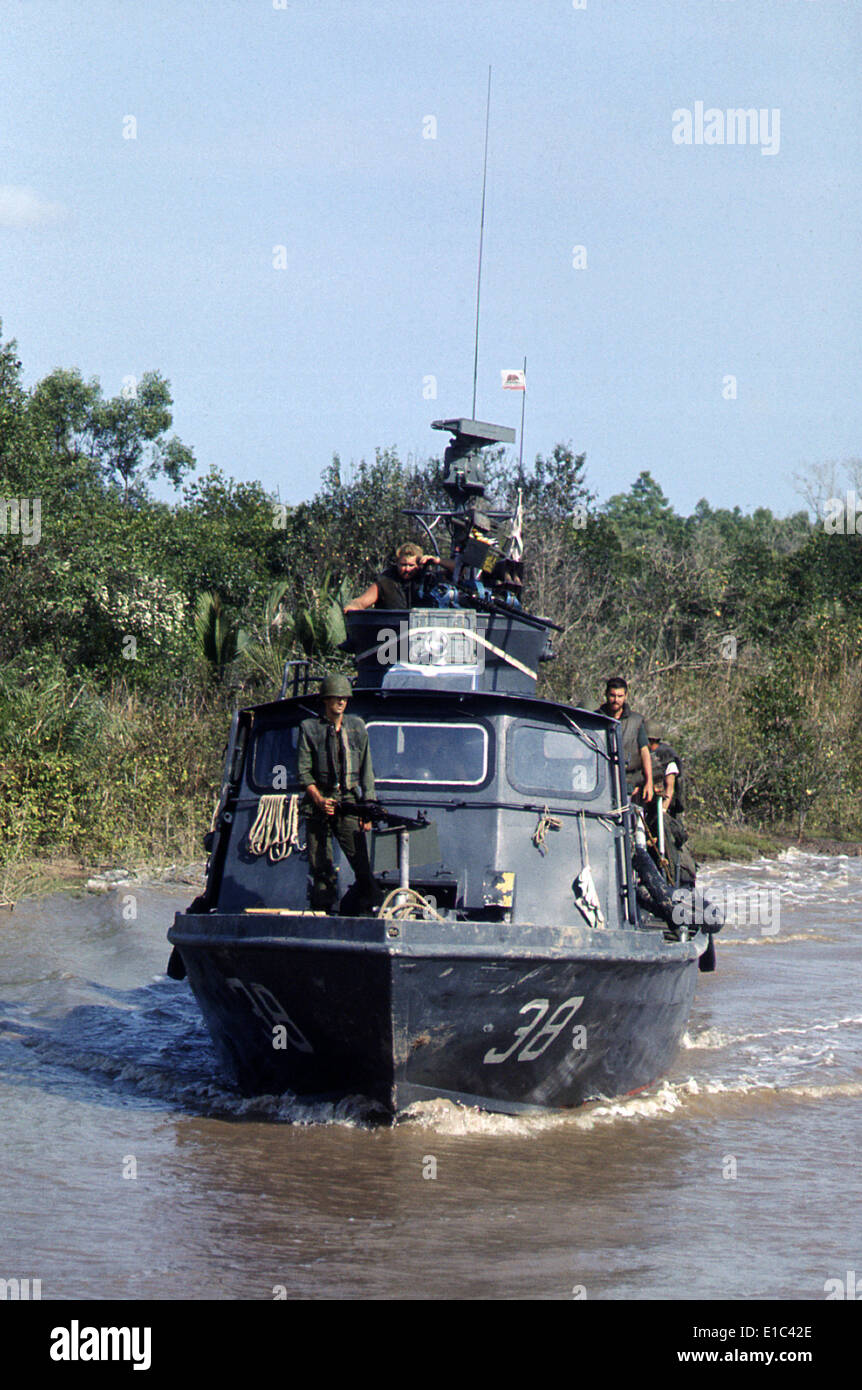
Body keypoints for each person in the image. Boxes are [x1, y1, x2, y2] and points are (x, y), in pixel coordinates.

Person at [296, 672, 380, 913]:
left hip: (349, 801)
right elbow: (303, 772)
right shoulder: (310, 729)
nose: (341, 702)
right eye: (336, 697)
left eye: (344, 697)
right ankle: (322, 910)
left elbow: (366, 770)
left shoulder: (357, 727)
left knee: (361, 863)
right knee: (320, 863)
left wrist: (369, 809)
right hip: (318, 800)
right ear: (325, 700)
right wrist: (319, 800)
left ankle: (370, 906)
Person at [645, 719, 696, 887]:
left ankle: (676, 878)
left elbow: (670, 788)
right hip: (647, 806)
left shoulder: (668, 759)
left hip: (666, 809)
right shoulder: (642, 754)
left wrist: (664, 811)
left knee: (670, 840)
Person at [344, 542, 454, 611]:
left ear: (419, 565)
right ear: (397, 563)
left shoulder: (428, 579)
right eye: (403, 565)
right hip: (391, 636)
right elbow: (361, 602)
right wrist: (354, 606)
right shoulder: (386, 581)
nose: (407, 569)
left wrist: (438, 561)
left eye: (411, 565)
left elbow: (459, 571)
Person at [596, 677, 654, 802]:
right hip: (599, 780)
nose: (616, 700)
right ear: (606, 694)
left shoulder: (636, 721)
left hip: (628, 782)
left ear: (626, 696)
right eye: (612, 695)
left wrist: (649, 782)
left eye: (620, 696)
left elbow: (645, 752)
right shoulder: (594, 718)